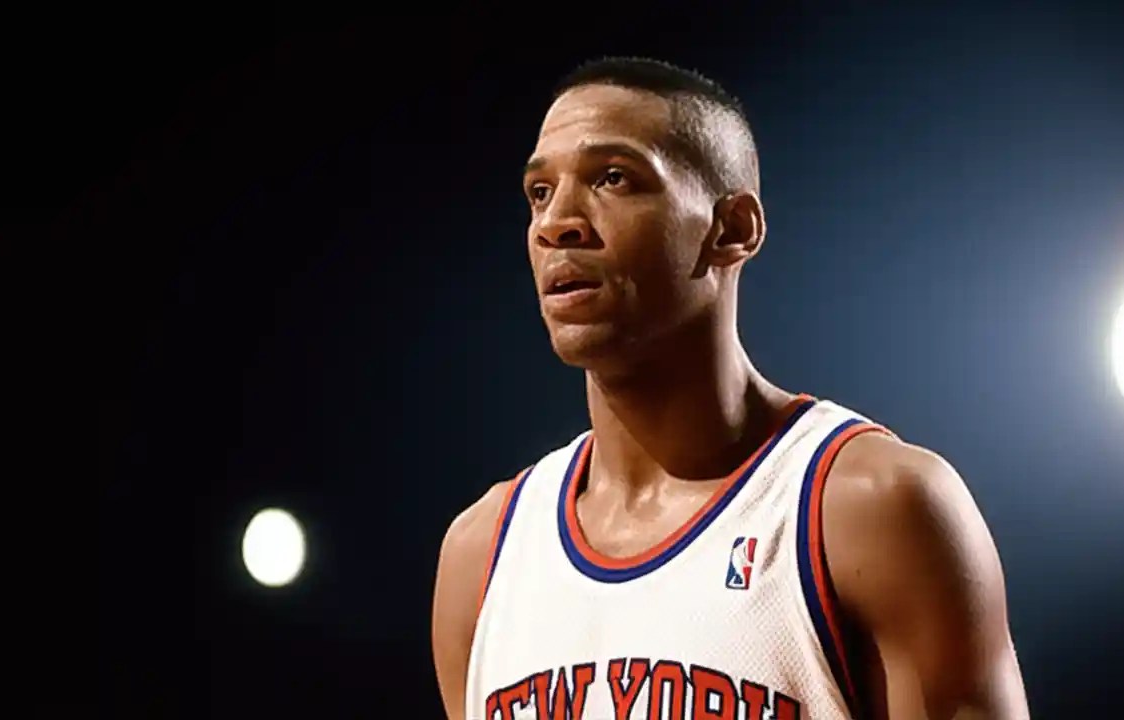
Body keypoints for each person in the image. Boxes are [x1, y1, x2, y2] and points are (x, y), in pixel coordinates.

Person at [431, 56, 1030, 720]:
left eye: (612, 178)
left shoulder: (872, 509)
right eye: (539, 193)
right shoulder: (481, 554)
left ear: (733, 229)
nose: (555, 223)